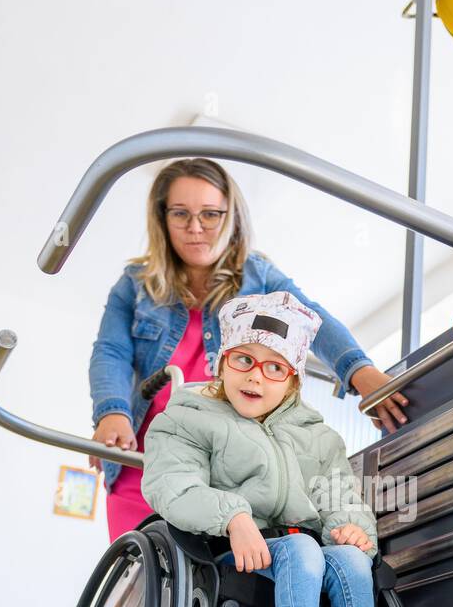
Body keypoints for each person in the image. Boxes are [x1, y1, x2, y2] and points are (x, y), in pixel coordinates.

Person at [141, 291, 401, 607]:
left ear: (294, 380)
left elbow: (339, 498)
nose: (256, 376)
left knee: (349, 558)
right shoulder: (189, 415)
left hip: (298, 554)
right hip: (222, 554)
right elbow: (173, 486)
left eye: (274, 368)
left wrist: (351, 528)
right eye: (244, 360)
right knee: (305, 551)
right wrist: (234, 515)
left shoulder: (318, 437)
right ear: (223, 363)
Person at [89, 157, 409, 539]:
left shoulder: (257, 275)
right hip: (146, 462)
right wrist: (111, 413)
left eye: (210, 214)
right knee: (143, 583)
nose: (195, 228)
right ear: (162, 218)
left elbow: (313, 319)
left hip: (226, 465)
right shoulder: (135, 285)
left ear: (232, 217)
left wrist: (359, 370)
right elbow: (110, 353)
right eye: (181, 214)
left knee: (216, 585)